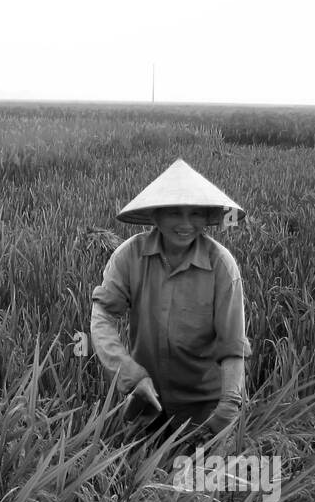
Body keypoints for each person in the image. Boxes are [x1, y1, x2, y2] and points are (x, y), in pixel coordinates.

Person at [89, 158, 251, 440]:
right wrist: (129, 373)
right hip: (147, 400)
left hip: (205, 406)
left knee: (202, 480)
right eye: (174, 213)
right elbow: (102, 316)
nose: (186, 224)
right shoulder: (129, 256)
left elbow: (232, 346)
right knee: (138, 477)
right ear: (155, 216)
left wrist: (228, 407)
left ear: (206, 218)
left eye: (195, 214)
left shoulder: (222, 267)